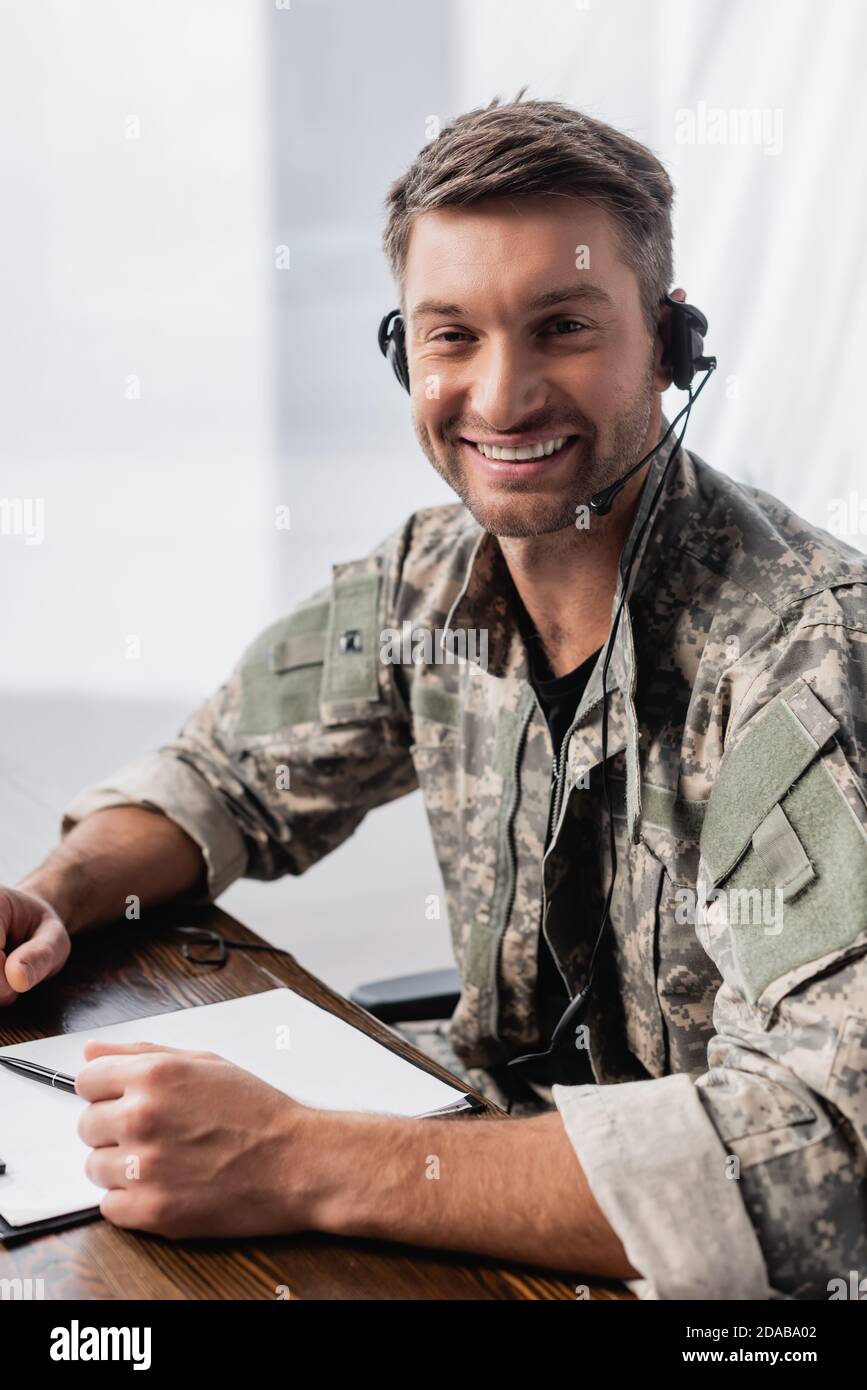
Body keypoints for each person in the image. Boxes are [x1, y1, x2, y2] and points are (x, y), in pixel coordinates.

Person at [2, 96, 865, 1300]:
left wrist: (300, 1160)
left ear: (669, 347)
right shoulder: (427, 577)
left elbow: (825, 1154)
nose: (501, 397)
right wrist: (50, 893)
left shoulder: (805, 659)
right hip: (475, 1208)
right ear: (403, 350)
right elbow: (226, 775)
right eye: (450, 335)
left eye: (562, 326)